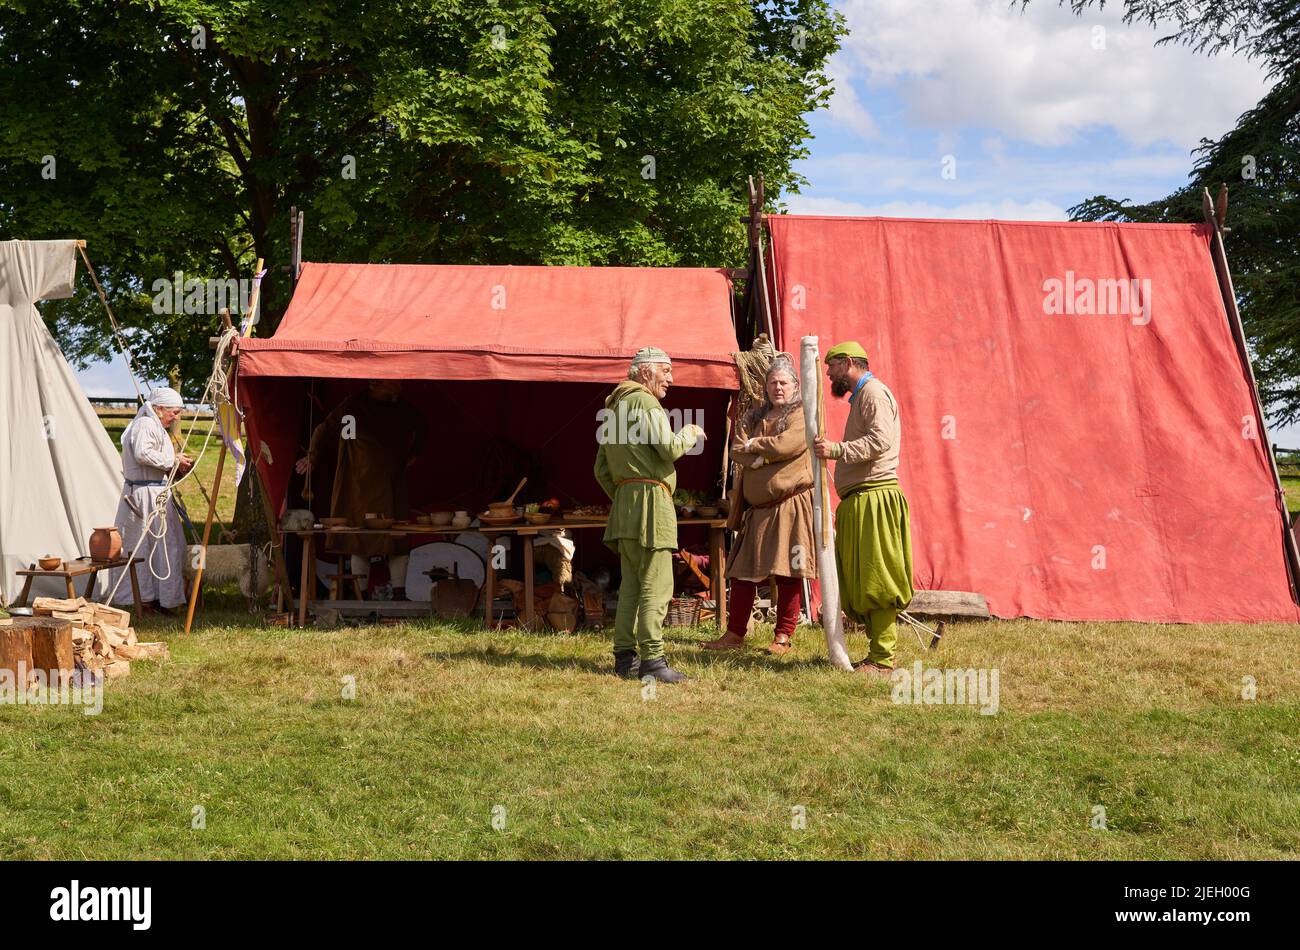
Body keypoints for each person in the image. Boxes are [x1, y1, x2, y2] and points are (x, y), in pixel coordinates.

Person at [595, 347, 705, 683]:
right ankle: (653, 661)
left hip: (625, 505)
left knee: (630, 586)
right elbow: (669, 448)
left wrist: (626, 493)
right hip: (651, 504)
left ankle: (624, 657)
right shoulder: (644, 402)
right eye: (666, 371)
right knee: (656, 586)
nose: (671, 379)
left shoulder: (613, 408)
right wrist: (691, 432)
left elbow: (600, 470)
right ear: (645, 373)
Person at [702, 354, 815, 655]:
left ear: (794, 386)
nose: (778, 387)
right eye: (772, 382)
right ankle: (735, 635)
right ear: (765, 386)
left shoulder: (802, 414)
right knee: (744, 572)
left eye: (784, 382)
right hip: (758, 511)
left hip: (789, 505)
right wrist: (762, 455)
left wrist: (758, 451)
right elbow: (737, 449)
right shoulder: (754, 416)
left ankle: (783, 637)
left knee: (789, 570)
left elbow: (787, 445)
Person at [813, 341, 914, 678]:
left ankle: (883, 659)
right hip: (860, 501)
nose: (829, 373)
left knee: (877, 578)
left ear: (849, 363)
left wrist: (837, 449)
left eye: (833, 366)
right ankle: (876, 655)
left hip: (875, 499)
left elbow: (880, 440)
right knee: (861, 579)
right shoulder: (862, 397)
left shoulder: (873, 392)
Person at [295, 380, 426, 599]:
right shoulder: (354, 404)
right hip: (358, 483)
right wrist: (312, 455)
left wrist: (414, 452)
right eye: (392, 383)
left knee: (397, 536)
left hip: (393, 483)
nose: (399, 387)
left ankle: (399, 594)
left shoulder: (401, 406)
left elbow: (422, 424)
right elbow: (325, 428)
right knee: (359, 538)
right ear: (376, 384)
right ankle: (361, 596)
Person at [113, 387, 194, 614]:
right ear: (159, 409)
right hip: (143, 497)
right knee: (142, 548)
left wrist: (176, 467)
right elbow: (142, 453)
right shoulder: (146, 425)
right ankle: (143, 599)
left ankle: (161, 598)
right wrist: (173, 458)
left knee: (165, 548)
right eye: (174, 412)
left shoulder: (154, 425)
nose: (176, 417)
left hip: (155, 494)